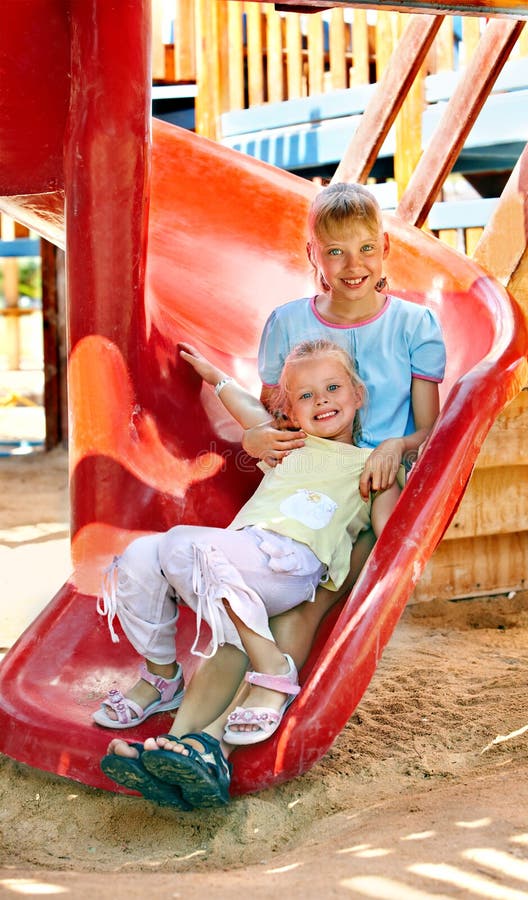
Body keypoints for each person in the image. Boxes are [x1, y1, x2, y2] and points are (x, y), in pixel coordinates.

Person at [100, 182, 446, 810]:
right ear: (312, 253)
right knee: (237, 615)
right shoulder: (288, 324)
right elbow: (269, 417)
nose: (353, 266)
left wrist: (399, 451)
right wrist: (255, 439)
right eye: (335, 253)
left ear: (385, 247)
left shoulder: (414, 324)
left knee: (294, 611)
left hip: (371, 492)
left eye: (367, 249)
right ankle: (184, 744)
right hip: (292, 497)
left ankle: (220, 749)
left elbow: (433, 429)